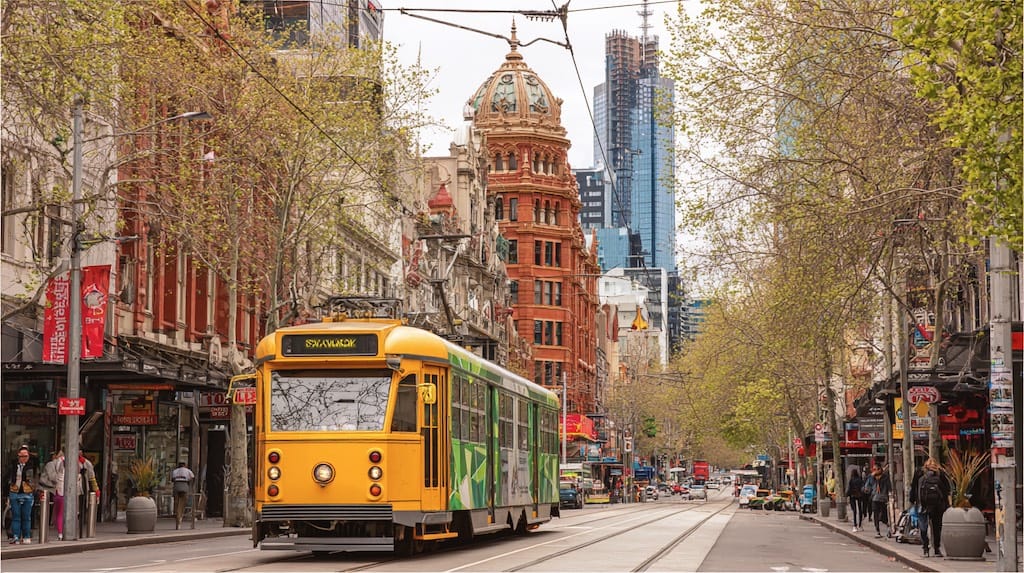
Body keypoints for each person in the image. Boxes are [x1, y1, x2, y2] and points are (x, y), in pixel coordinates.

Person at [911, 457, 949, 558]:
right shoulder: (940, 474)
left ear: (925, 465)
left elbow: (913, 487)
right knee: (936, 527)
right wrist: (946, 504)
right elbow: (946, 490)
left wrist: (913, 500)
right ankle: (936, 549)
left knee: (923, 527)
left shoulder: (919, 473)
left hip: (922, 504)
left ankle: (925, 547)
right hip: (937, 505)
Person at [5, 445, 38, 544]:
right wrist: (6, 494)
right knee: (16, 516)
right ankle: (16, 536)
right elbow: (6, 478)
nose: (23, 458)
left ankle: (26, 536)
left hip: (27, 492)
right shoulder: (13, 465)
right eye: (21, 456)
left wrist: (29, 453)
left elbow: (36, 460)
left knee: (26, 517)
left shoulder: (31, 465)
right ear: (18, 456)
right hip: (14, 492)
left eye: (25, 456)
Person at [868, 465, 892, 538]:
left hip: (883, 498)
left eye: (876, 469)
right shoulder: (872, 478)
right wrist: (872, 476)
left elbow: (889, 487)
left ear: (880, 469)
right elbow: (868, 485)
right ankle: (877, 531)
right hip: (875, 498)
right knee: (875, 515)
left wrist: (890, 495)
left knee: (883, 515)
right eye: (874, 469)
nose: (874, 471)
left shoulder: (885, 477)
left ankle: (888, 526)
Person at [171, 461, 195, 529]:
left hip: (176, 486)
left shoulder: (175, 471)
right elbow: (193, 477)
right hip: (184, 486)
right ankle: (180, 517)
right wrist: (191, 485)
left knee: (176, 503)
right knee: (182, 503)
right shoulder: (188, 471)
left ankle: (177, 516)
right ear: (185, 465)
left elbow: (172, 479)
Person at [846, 468, 865, 532]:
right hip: (859, 495)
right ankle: (860, 525)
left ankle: (855, 525)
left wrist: (847, 495)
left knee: (854, 511)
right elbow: (862, 487)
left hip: (853, 496)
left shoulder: (851, 480)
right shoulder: (860, 479)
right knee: (860, 510)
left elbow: (849, 488)